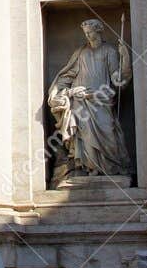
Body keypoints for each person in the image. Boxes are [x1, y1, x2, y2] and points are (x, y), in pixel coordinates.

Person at [47, 19, 133, 180]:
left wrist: (125, 58)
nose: (87, 35)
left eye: (90, 32)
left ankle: (111, 169)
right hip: (81, 100)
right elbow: (68, 74)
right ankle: (89, 168)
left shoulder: (109, 51)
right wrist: (66, 92)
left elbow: (116, 78)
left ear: (98, 31)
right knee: (84, 135)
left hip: (100, 99)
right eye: (85, 33)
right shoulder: (80, 52)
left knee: (108, 132)